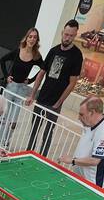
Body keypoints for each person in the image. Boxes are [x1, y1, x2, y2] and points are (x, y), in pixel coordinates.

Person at [27, 20, 82, 154]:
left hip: (55, 101)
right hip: (42, 96)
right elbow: (41, 73)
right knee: (34, 128)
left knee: (48, 131)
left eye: (71, 36)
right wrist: (33, 95)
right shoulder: (54, 50)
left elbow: (72, 83)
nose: (67, 38)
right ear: (62, 33)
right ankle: (28, 152)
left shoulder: (77, 55)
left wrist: (59, 102)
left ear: (75, 35)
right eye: (66, 34)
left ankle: (42, 158)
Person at [0, 29, 44, 150]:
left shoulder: (36, 56)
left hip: (21, 89)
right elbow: (2, 60)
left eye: (35, 37)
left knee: (13, 120)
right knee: (4, 116)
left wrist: (31, 80)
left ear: (37, 40)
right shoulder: (18, 51)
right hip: (11, 87)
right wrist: (7, 76)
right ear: (26, 38)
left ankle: (6, 143)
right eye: (30, 37)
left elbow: (43, 70)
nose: (32, 39)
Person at [64, 96, 104, 188]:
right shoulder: (89, 122)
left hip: (93, 181)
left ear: (92, 112)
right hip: (80, 174)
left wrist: (72, 160)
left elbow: (95, 160)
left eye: (81, 114)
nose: (78, 117)